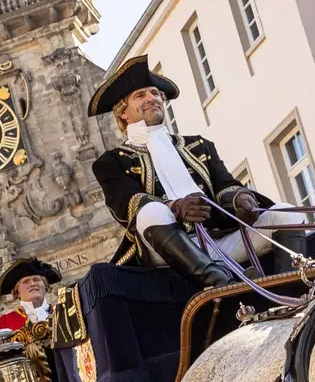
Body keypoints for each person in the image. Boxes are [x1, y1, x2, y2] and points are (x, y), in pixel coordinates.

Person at [86, 55, 269, 289]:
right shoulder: (111, 162)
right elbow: (127, 204)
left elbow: (225, 185)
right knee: (152, 212)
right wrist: (174, 208)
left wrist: (239, 199)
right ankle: (221, 282)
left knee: (284, 214)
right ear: (123, 113)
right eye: (140, 95)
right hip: (166, 252)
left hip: (220, 239)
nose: (151, 98)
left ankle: (290, 282)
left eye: (155, 93)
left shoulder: (199, 145)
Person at [0, 256, 61, 337]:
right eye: (26, 282)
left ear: (46, 286)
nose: (32, 284)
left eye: (36, 279)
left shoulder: (61, 312)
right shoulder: (5, 322)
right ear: (17, 292)